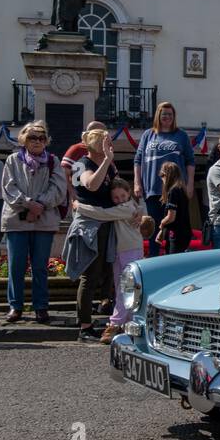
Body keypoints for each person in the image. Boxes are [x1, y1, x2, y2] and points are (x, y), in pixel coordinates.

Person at [0, 120, 66, 324]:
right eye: (32, 137)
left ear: (46, 141)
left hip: (43, 221)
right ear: (23, 139)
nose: (37, 141)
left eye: (41, 138)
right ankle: (15, 305)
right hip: (16, 220)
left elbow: (58, 189)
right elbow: (8, 188)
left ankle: (41, 306)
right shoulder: (12, 160)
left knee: (40, 266)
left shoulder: (53, 161)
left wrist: (40, 206)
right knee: (16, 265)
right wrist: (28, 204)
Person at [71, 177, 144, 343]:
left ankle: (114, 323)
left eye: (122, 196)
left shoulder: (127, 208)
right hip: (121, 251)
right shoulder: (129, 206)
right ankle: (129, 324)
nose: (119, 200)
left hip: (131, 250)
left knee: (124, 289)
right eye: (116, 198)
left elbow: (102, 214)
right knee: (122, 287)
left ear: (129, 194)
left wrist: (78, 206)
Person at [68, 127, 119, 342]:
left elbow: (118, 190)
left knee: (108, 271)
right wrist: (107, 160)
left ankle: (106, 313)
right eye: (105, 141)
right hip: (89, 225)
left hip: (107, 223)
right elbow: (91, 184)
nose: (110, 144)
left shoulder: (109, 166)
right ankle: (85, 326)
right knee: (90, 275)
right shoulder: (81, 164)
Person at [134, 101, 195, 256]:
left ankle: (171, 261)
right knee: (155, 230)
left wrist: (189, 185)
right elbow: (138, 160)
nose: (167, 117)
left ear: (174, 117)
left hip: (175, 190)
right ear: (158, 116)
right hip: (153, 190)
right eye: (164, 114)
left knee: (173, 228)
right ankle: (155, 261)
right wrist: (137, 183)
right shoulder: (148, 135)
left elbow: (190, 161)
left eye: (170, 114)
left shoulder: (181, 136)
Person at [155, 162, 191, 255]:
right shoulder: (182, 189)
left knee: (173, 263)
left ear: (167, 176)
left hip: (176, 234)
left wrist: (162, 223)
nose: (161, 178)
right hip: (185, 232)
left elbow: (171, 217)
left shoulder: (173, 191)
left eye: (162, 175)